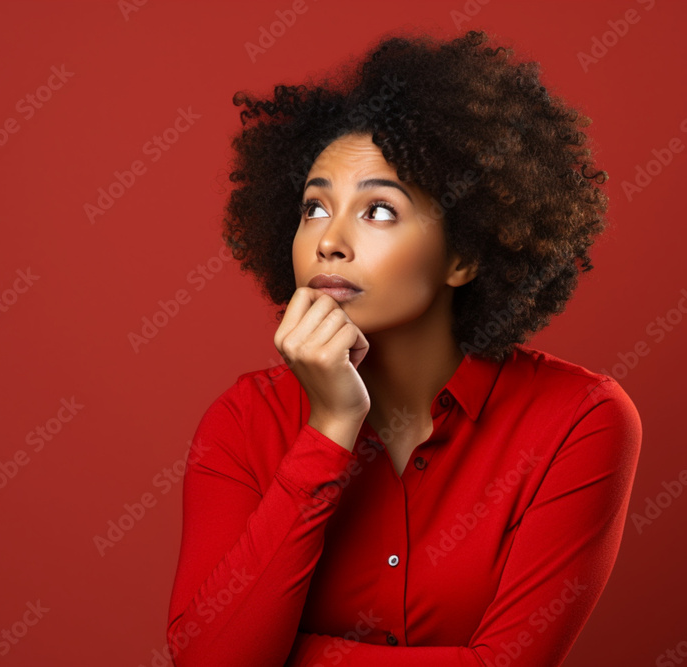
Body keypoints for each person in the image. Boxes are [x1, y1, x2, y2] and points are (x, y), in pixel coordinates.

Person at [166, 29, 642, 667]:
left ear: (464, 254)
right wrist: (331, 427)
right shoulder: (241, 423)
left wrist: (292, 656)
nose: (328, 242)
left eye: (379, 212)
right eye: (313, 208)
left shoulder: (579, 421)